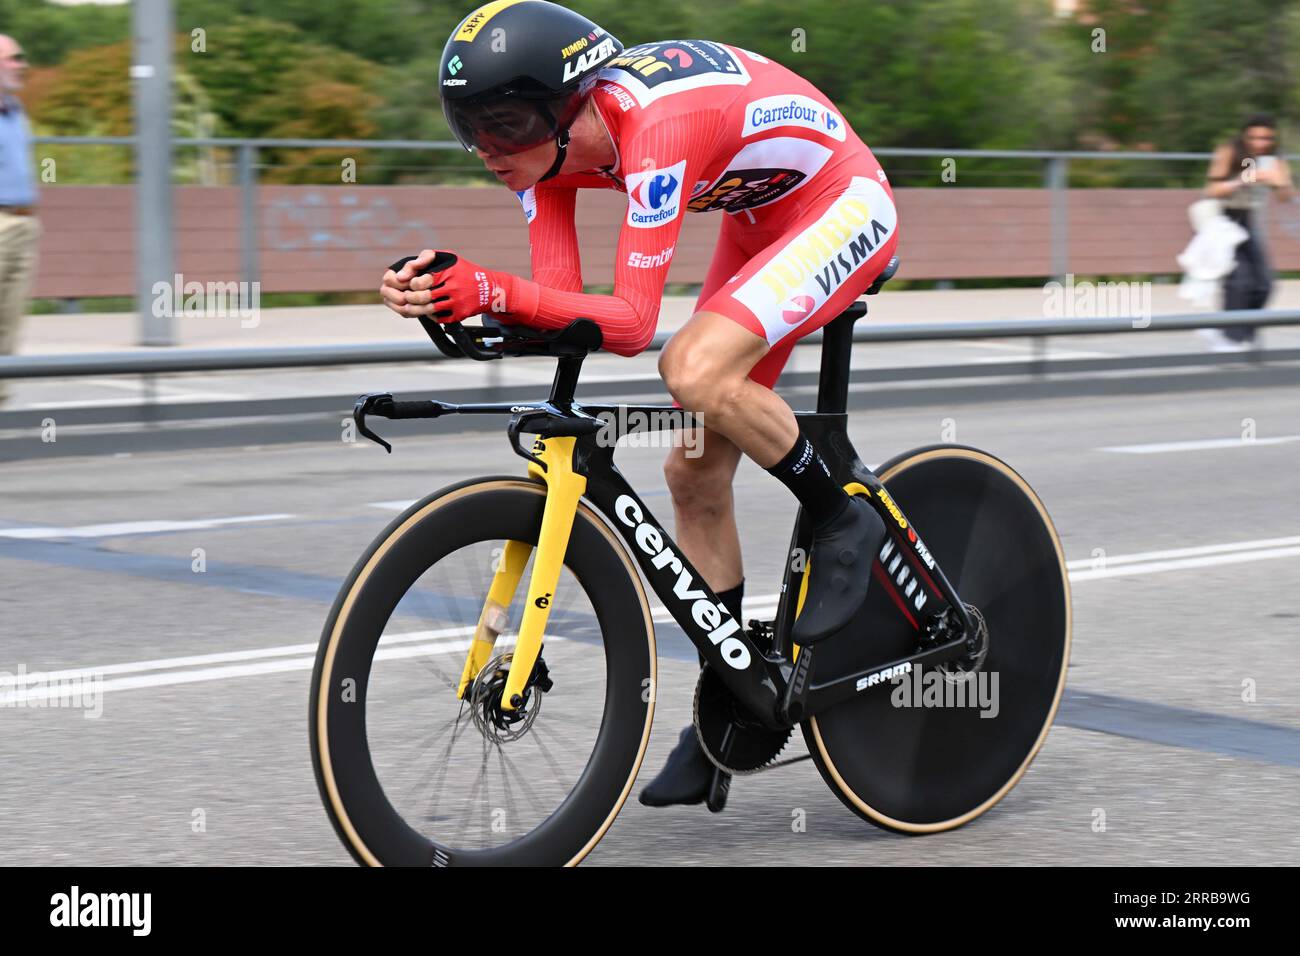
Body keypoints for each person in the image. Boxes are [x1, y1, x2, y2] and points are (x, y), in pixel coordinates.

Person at [381, 0, 898, 810]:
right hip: (759, 217)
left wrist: (491, 286)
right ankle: (732, 699)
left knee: (690, 367)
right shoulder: (541, 160)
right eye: (470, 127)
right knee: (692, 468)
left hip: (841, 201)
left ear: (572, 103)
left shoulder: (653, 129)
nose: (489, 150)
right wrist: (454, 296)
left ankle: (841, 511)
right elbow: (560, 305)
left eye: (506, 122)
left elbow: (630, 324)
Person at [1202, 114, 1294, 351]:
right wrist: (1243, 179)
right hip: (1224, 220)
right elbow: (1211, 190)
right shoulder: (1230, 150)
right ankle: (1228, 337)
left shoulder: (1273, 158)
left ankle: (1244, 332)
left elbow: (1285, 197)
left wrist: (1280, 183)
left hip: (1249, 221)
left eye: (1266, 138)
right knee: (1239, 281)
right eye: (1253, 137)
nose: (1260, 143)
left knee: (1265, 283)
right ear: (1244, 136)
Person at [0, 33, 40, 407]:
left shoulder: (16, 110)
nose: (20, 64)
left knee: (10, 323)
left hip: (24, 223)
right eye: (13, 58)